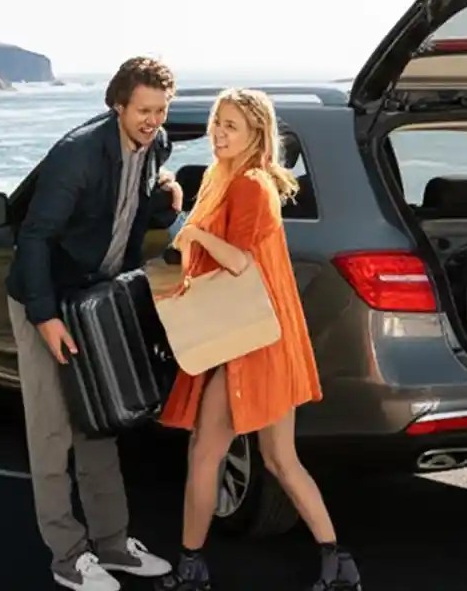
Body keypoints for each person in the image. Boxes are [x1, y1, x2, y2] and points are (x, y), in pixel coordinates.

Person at [154, 88, 363, 591]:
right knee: (279, 460)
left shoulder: (249, 184)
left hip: (249, 342)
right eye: (217, 123)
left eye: (232, 126)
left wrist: (195, 236)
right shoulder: (223, 178)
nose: (219, 133)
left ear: (256, 135)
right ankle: (338, 564)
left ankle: (191, 569)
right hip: (258, 335)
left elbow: (240, 262)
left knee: (206, 453)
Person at [5, 56, 184, 591]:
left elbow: (125, 211)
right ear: (117, 106)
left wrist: (166, 196)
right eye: (144, 110)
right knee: (52, 430)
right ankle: (68, 557)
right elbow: (34, 238)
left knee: (98, 423)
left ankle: (113, 545)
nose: (153, 121)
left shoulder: (156, 144)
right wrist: (44, 318)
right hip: (45, 299)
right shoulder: (77, 155)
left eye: (161, 110)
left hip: (94, 303)